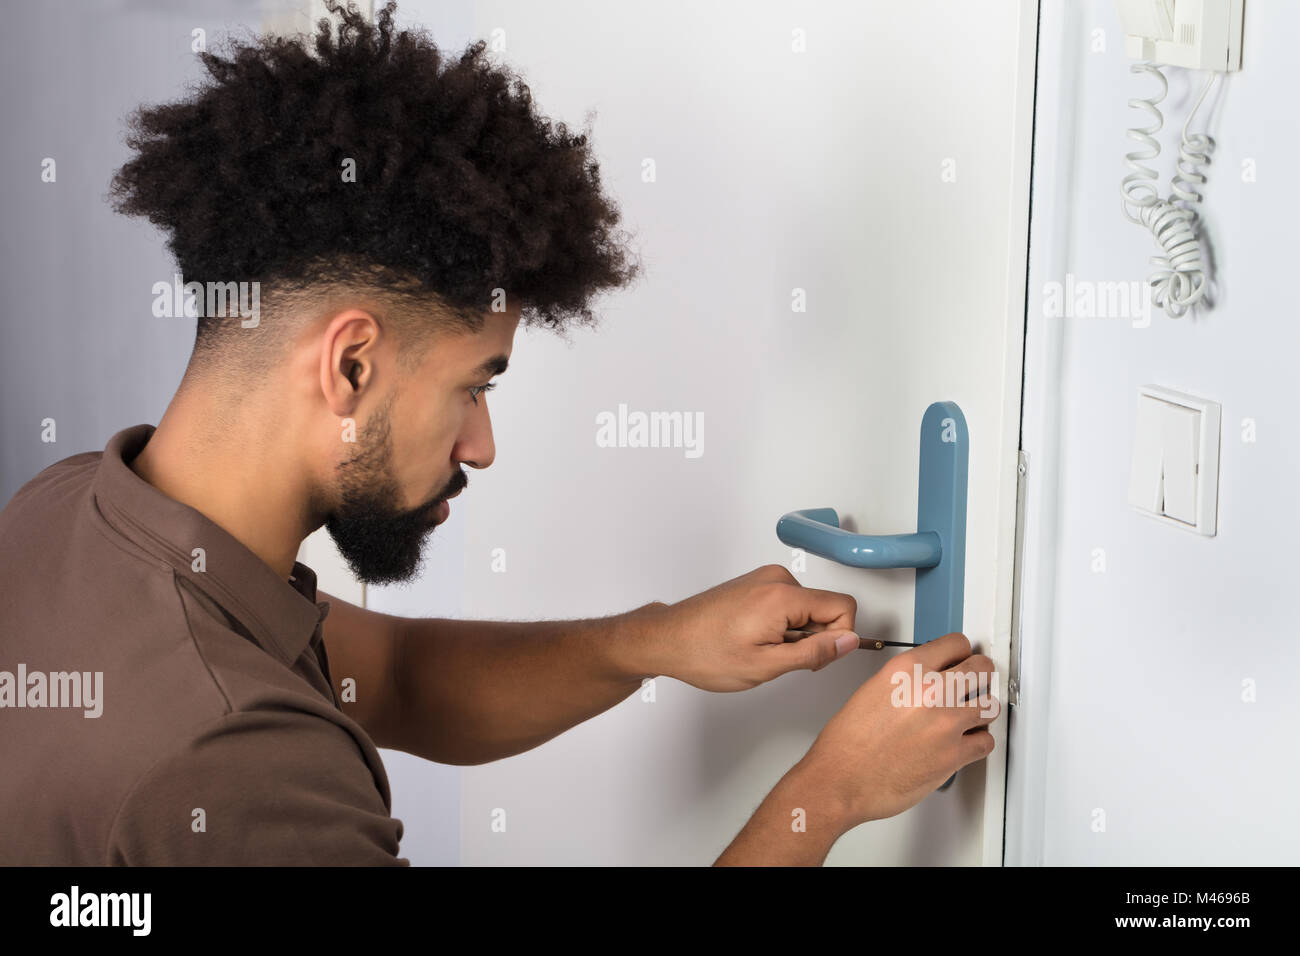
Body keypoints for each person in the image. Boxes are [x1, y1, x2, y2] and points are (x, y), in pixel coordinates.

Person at [0, 0, 996, 866]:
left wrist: (651, 639)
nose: (481, 444)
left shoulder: (74, 508)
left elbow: (389, 677)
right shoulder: (237, 764)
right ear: (350, 365)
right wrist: (829, 796)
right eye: (473, 386)